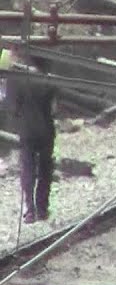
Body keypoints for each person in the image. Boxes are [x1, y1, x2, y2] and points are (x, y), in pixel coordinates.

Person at [11, 54, 56, 223]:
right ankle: (42, 209)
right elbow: (54, 109)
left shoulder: (22, 81)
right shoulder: (50, 81)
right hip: (46, 130)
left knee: (27, 169)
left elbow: (14, 108)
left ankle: (30, 210)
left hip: (27, 130)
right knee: (45, 169)